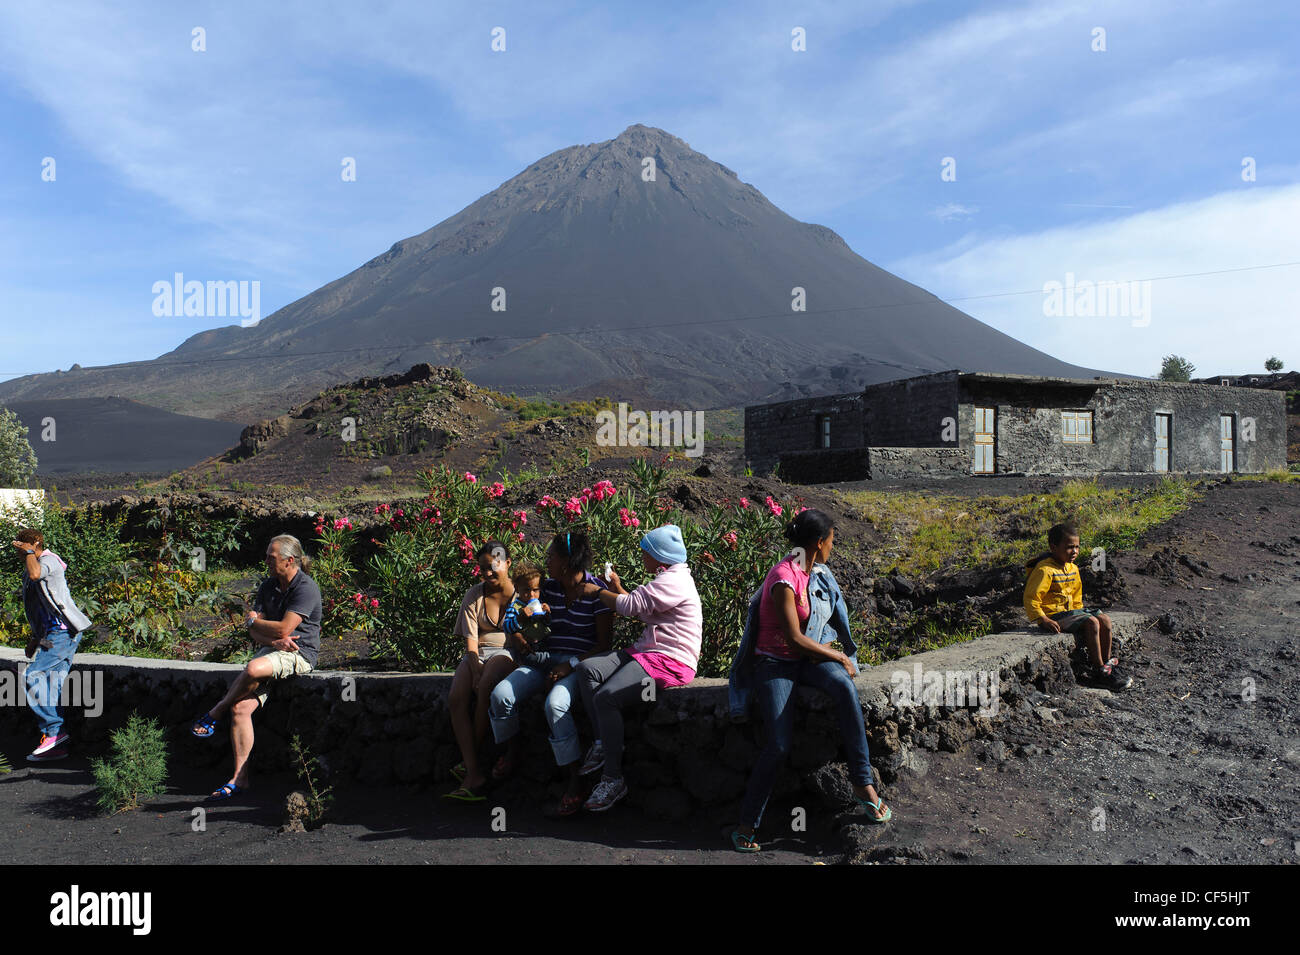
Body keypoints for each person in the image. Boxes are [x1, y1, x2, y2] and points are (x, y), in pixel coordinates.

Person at [728, 508, 890, 852]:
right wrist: (839, 656)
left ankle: (863, 783)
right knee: (779, 744)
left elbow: (818, 625)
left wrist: (833, 649)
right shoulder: (784, 577)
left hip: (806, 660)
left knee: (844, 688)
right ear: (819, 542)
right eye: (832, 541)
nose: (833, 547)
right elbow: (792, 638)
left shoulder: (814, 572)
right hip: (775, 664)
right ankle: (747, 823)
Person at [575, 524, 702, 812]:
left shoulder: (675, 581)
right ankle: (601, 742)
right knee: (588, 669)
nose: (642, 555)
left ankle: (613, 778)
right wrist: (617, 589)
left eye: (646, 551)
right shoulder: (668, 577)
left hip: (670, 659)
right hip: (648, 651)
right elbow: (643, 607)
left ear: (659, 555)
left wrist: (596, 592)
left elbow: (632, 607)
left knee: (606, 697)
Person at [190, 534, 323, 801]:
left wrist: (256, 624)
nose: (266, 561)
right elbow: (257, 634)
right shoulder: (267, 586)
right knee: (241, 708)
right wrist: (268, 635)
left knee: (252, 669)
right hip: (274, 651)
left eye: (271, 558)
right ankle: (240, 779)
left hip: (300, 653)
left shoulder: (306, 588)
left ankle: (216, 711)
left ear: (289, 561)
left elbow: (286, 627)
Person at [488, 531, 612, 815]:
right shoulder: (548, 589)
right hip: (542, 661)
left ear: (567, 562)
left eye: (552, 556)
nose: (548, 561)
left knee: (555, 705)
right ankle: (513, 751)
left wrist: (568, 665)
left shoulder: (596, 591)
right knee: (501, 696)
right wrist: (519, 633)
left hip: (576, 664)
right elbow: (518, 612)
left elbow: (604, 646)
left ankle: (574, 781)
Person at [443, 540, 519, 801]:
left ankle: (469, 763)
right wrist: (474, 666)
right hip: (477, 653)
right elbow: (471, 640)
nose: (488, 573)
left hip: (508, 652)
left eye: (493, 567)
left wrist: (480, 674)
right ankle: (474, 772)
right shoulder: (474, 594)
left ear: (507, 563)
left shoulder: (521, 594)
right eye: (483, 569)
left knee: (487, 686)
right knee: (456, 698)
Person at [12, 529, 94, 761]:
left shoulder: (49, 560)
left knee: (33, 676)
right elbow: (39, 609)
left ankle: (54, 732)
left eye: (22, 545)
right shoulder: (31, 567)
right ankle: (56, 744)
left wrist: (30, 551)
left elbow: (37, 574)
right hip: (51, 634)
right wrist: (35, 639)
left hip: (63, 633)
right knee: (51, 686)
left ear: (34, 544)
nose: (18, 550)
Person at [1024, 522, 1131, 691]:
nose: (1074, 551)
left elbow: (1076, 596)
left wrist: (1079, 614)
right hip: (1054, 615)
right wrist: (1042, 618)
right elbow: (1031, 597)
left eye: (1077, 547)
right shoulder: (1045, 570)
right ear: (1053, 547)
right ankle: (1099, 672)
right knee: (1092, 623)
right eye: (1069, 547)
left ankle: (1107, 664)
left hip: (1071, 613)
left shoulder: (1072, 568)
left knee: (1104, 620)